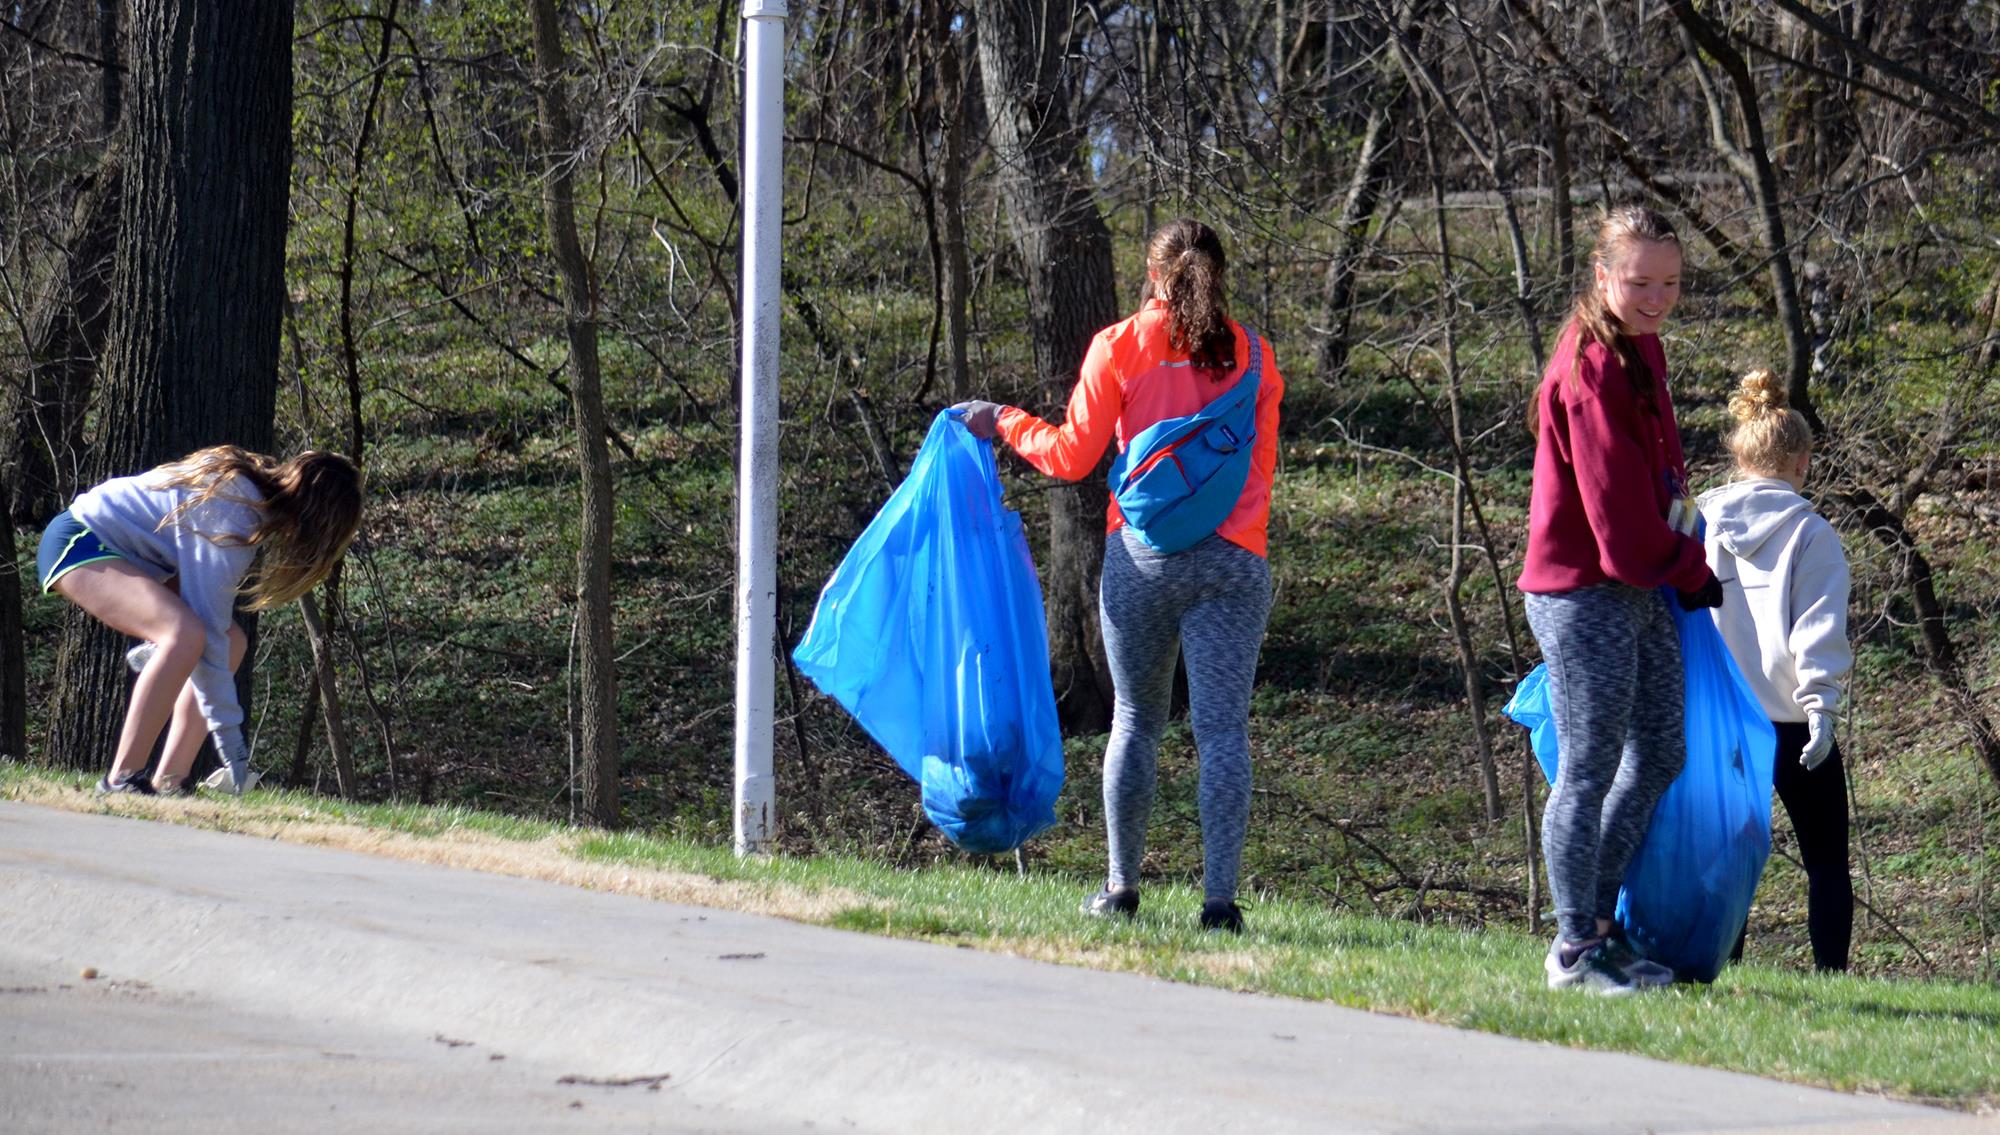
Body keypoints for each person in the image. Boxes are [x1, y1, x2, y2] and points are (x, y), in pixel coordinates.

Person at [953, 218, 1283, 933]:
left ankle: (1121, 888)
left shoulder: (1120, 345)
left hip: (1140, 558)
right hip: (1233, 562)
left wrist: (1003, 419)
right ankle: (1219, 905)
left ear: (1152, 274)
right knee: (1223, 733)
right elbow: (1260, 470)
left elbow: (1072, 457)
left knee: (1135, 721)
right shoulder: (1256, 358)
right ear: (1219, 274)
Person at [1519, 206, 1721, 994]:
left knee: (1662, 750)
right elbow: (1620, 529)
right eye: (1639, 282)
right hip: (1584, 592)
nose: (1656, 297)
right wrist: (1689, 567)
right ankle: (1574, 947)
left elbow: (1656, 485)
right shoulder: (1592, 367)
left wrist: (1680, 554)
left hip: (1639, 583)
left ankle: (1599, 926)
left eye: (1669, 282)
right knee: (1588, 767)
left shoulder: (1643, 349)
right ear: (1602, 276)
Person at [37, 446, 364, 796]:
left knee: (229, 642)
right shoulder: (234, 517)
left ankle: (170, 782)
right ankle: (121, 779)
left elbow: (214, 635)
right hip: (79, 540)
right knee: (184, 635)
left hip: (126, 554)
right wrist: (230, 740)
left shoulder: (246, 497)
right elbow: (206, 627)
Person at [1700, 369, 1854, 972]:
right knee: (1826, 861)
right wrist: (1821, 707)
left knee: (1726, 859)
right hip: (1790, 719)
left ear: (1740, 459)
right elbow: (1817, 628)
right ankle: (1831, 980)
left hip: (1721, 719)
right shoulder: (1812, 534)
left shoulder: (1698, 525)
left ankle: (1722, 969)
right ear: (1802, 463)